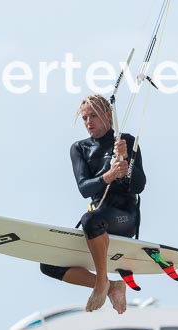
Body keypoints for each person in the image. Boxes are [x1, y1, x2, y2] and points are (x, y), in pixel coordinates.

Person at [39, 94, 147, 315]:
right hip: (97, 222)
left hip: (124, 218)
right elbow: (84, 189)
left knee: (91, 219)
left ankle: (101, 283)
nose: (89, 122)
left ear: (108, 115)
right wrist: (108, 176)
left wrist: (125, 164)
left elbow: (140, 185)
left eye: (94, 116)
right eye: (85, 118)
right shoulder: (79, 148)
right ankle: (109, 285)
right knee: (49, 265)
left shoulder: (125, 140)